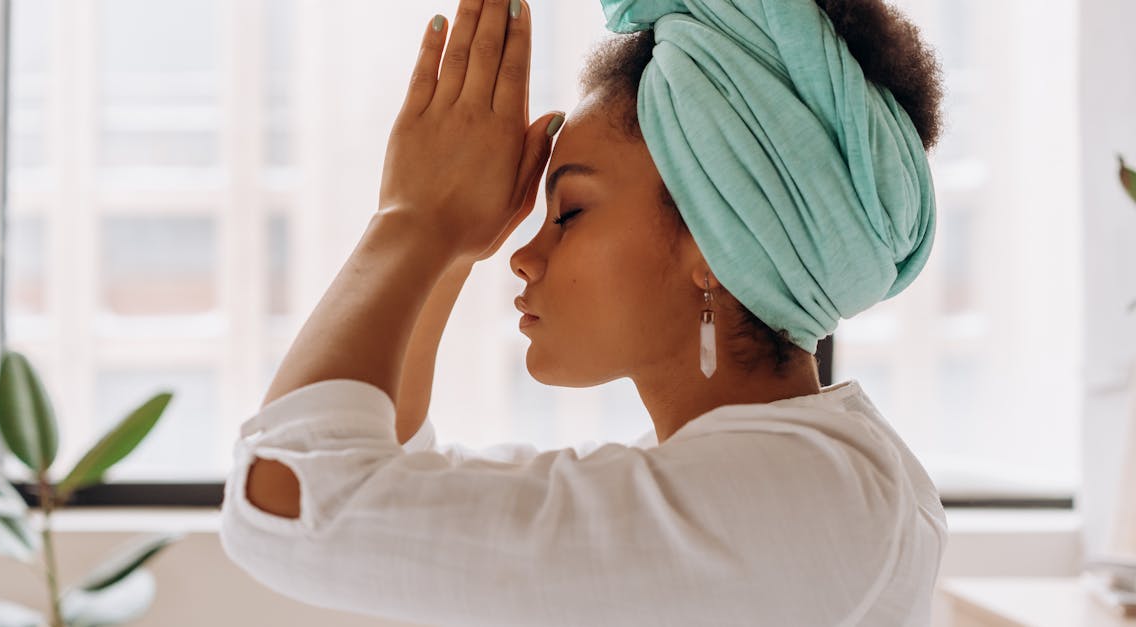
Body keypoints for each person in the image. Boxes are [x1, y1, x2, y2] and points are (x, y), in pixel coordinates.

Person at [219, 0, 947, 625]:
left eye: (567, 211)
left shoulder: (801, 497)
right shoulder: (806, 479)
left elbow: (288, 500)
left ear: (715, 244)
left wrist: (414, 221)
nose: (523, 255)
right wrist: (448, 250)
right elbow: (390, 471)